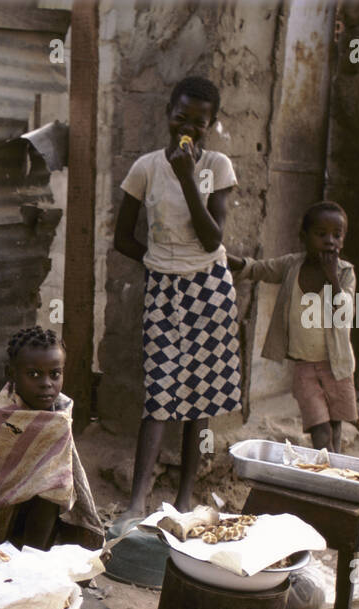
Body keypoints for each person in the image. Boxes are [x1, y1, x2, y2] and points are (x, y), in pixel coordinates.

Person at [113, 76, 241, 520]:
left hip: (210, 287)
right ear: (168, 112)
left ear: (212, 124)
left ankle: (185, 499)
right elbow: (122, 239)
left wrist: (189, 179)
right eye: (180, 116)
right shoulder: (145, 168)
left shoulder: (218, 167)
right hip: (163, 290)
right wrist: (157, 263)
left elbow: (211, 240)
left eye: (199, 122)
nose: (187, 127)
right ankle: (136, 503)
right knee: (158, 396)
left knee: (199, 399)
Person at [0, 327, 103, 549]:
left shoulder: (60, 414)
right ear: (11, 374)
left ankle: (33, 560)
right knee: (50, 483)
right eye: (33, 374)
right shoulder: (2, 416)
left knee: (52, 486)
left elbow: (62, 482)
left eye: (55, 374)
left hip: (36, 523)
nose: (46, 383)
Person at [227, 201, 358, 453]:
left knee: (335, 426)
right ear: (303, 237)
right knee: (319, 428)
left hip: (337, 365)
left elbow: (344, 311)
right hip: (304, 367)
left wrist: (331, 278)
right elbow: (259, 269)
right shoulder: (291, 266)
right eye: (321, 235)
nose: (329, 241)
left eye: (336, 235)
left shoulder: (344, 274)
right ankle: (325, 474)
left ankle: (333, 477)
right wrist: (227, 259)